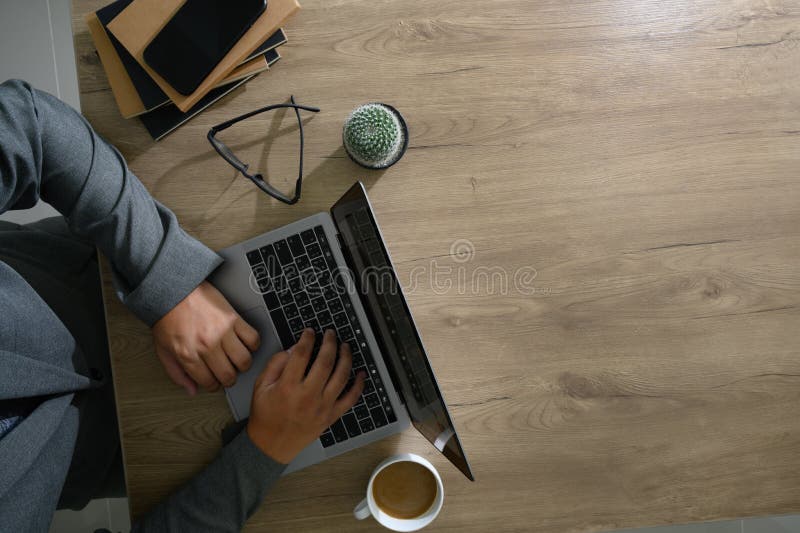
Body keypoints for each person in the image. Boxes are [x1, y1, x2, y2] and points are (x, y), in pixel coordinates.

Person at [0, 79, 366, 531]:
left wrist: (169, 283)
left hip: (125, 264)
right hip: (165, 457)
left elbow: (30, 124)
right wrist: (263, 452)